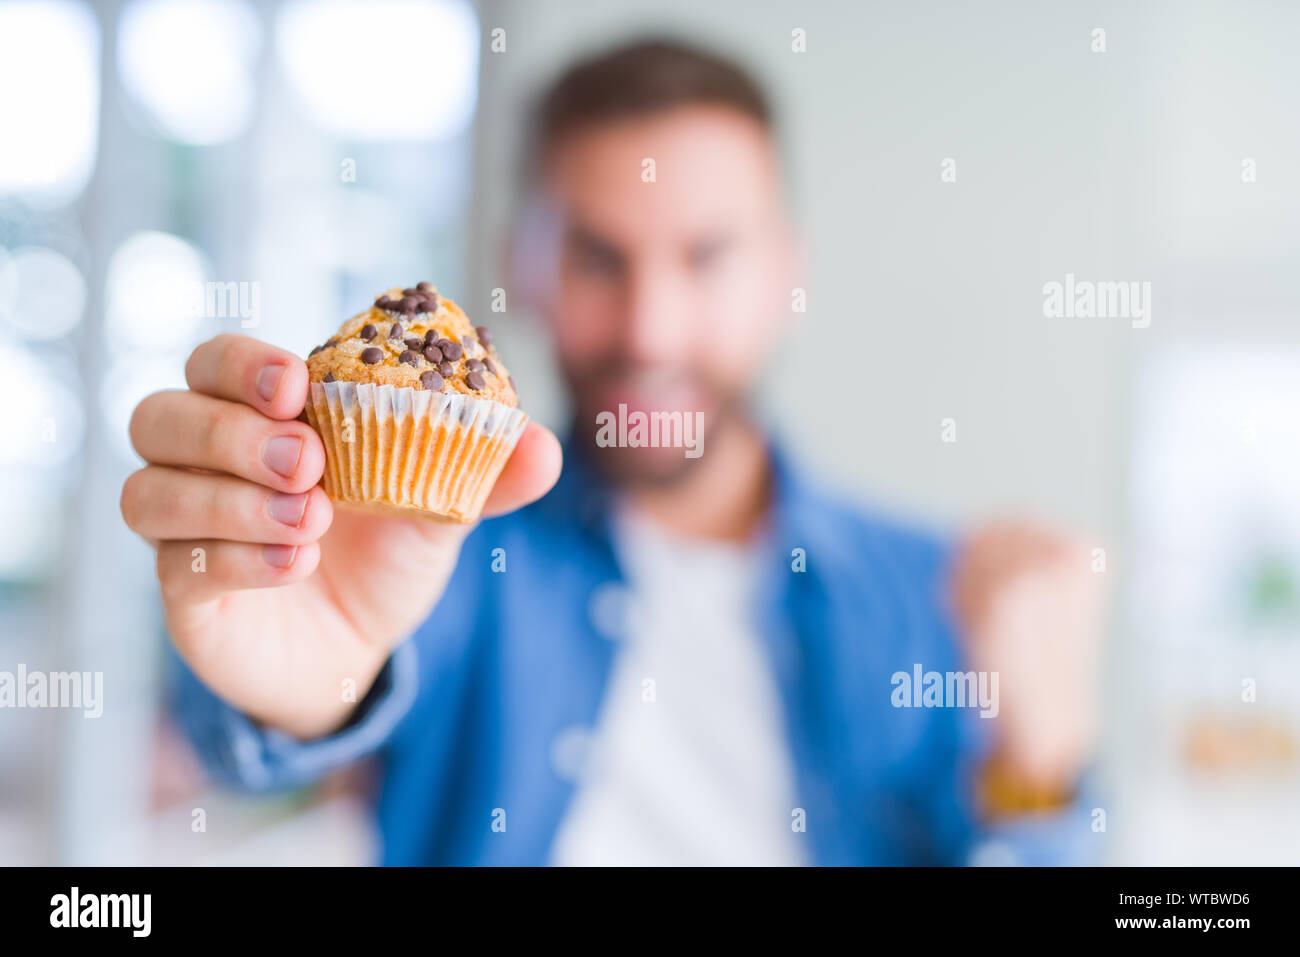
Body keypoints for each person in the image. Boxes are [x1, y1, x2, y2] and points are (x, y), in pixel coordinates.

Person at [120, 40, 1103, 865]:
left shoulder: (937, 599)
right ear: (523, 268)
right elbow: (267, 720)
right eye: (599, 257)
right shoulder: (432, 558)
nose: (651, 330)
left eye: (705, 255)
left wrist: (1042, 761)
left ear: (783, 273)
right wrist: (297, 697)